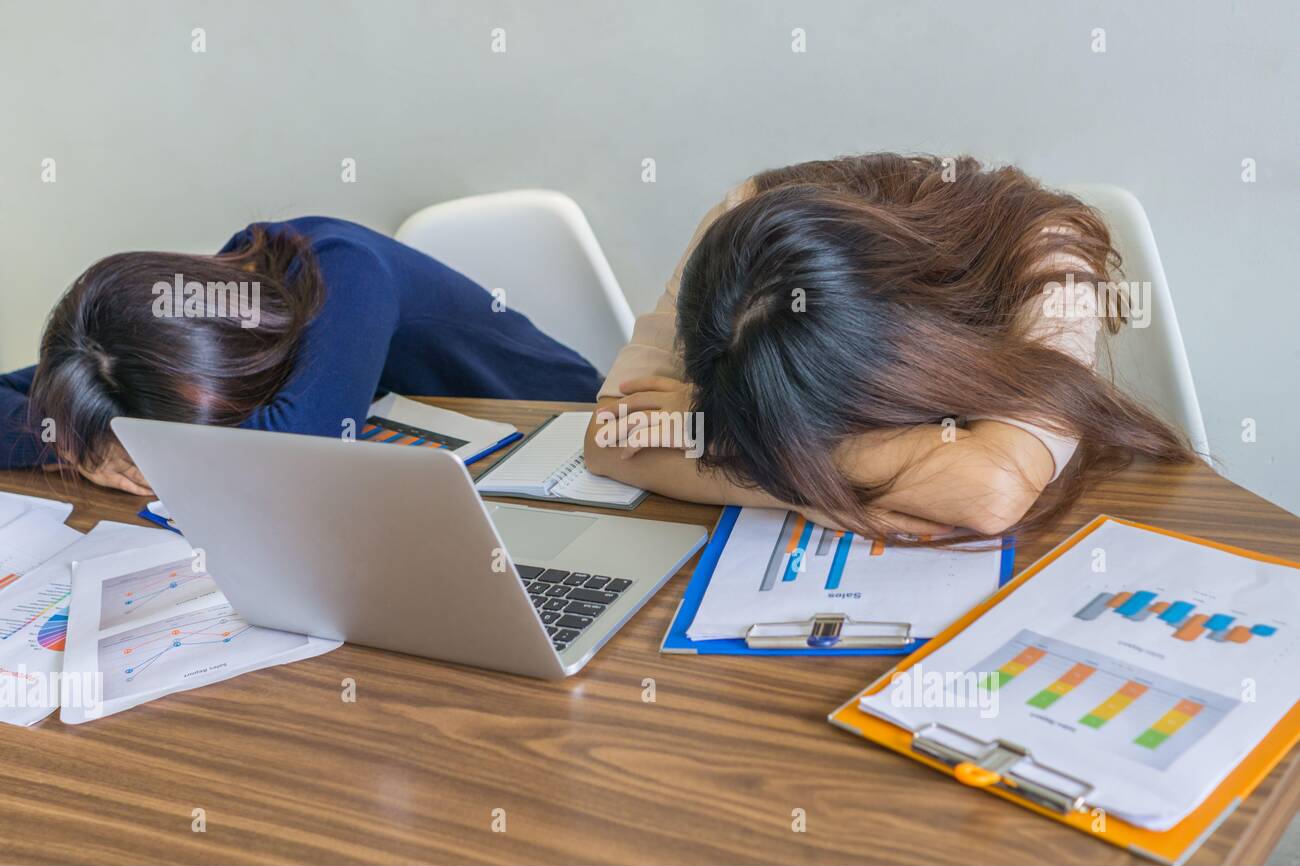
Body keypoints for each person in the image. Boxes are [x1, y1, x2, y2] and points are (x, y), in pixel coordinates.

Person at [585, 153, 1196, 541]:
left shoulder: (1045, 261)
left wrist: (727, 438)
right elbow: (610, 437)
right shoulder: (741, 229)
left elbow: (992, 488)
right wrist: (801, 483)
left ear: (904, 353)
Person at [1, 216, 602, 493]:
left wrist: (144, 445)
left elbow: (295, 452)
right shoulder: (144, 340)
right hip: (446, 477)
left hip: (564, 441)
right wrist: (81, 443)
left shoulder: (344, 268)